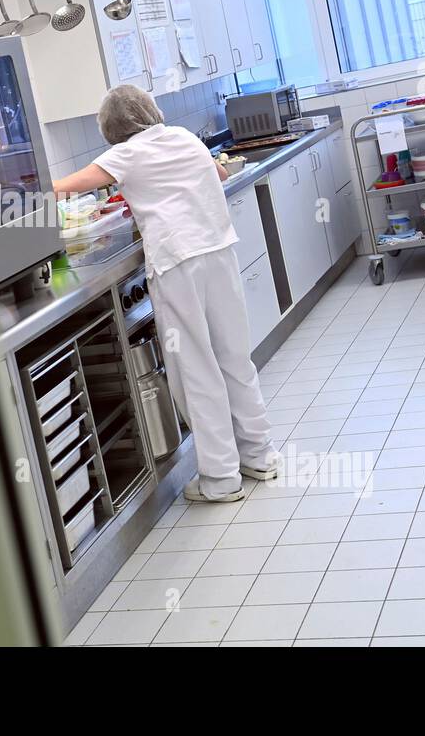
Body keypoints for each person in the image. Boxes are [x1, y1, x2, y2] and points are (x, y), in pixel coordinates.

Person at [53, 85, 279, 502]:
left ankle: (220, 479)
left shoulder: (126, 153)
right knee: (234, 358)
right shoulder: (183, 137)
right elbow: (221, 173)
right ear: (149, 111)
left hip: (178, 263)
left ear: (112, 128)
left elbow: (66, 187)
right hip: (218, 251)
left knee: (196, 369)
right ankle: (260, 456)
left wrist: (12, 192)